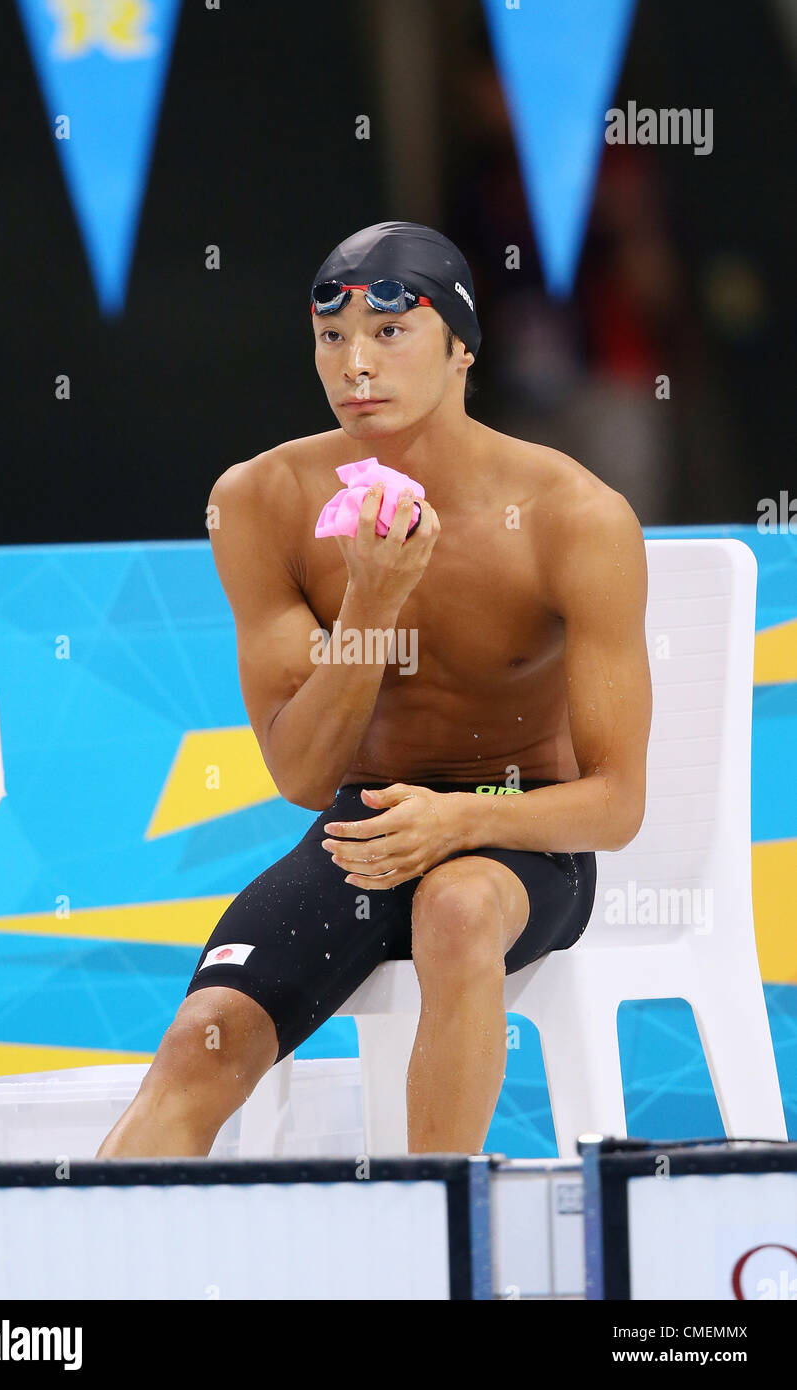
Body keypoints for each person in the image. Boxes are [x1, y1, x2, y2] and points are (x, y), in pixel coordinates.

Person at [97, 221, 652, 1158]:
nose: (356, 364)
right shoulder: (262, 500)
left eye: (390, 333)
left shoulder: (575, 518)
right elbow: (306, 777)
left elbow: (616, 804)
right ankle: (73, 1287)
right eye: (332, 336)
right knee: (202, 1041)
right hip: (365, 827)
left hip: (524, 834)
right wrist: (369, 602)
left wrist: (461, 822)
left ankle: (433, 1240)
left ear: (462, 348)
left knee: (458, 907)